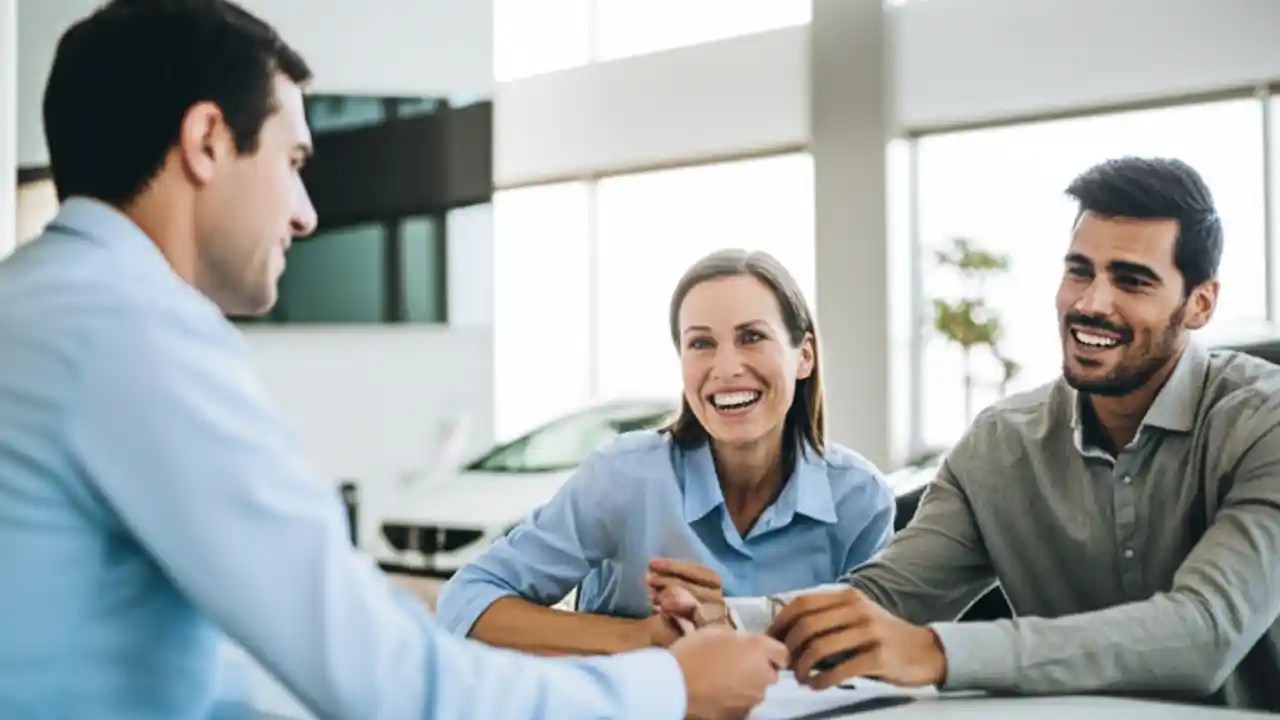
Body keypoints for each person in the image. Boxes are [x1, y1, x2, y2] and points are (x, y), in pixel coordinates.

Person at [0, 2, 788, 718]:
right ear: (207, 141)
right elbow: (394, 687)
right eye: (296, 162)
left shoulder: (43, 307)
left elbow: (205, 673)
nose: (306, 215)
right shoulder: (132, 331)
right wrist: (676, 687)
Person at [654, 156, 1280, 711]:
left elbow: (1206, 631)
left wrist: (934, 652)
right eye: (1078, 271)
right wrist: (736, 617)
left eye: (1132, 280)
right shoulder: (1001, 444)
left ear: (1200, 303)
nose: (1092, 302)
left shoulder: (1264, 422)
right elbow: (885, 596)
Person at [435, 249, 895, 655]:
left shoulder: (859, 498)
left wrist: (735, 621)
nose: (726, 366)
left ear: (804, 356)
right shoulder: (624, 476)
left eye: (752, 336)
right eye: (701, 343)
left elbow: (871, 646)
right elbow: (467, 600)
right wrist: (640, 640)